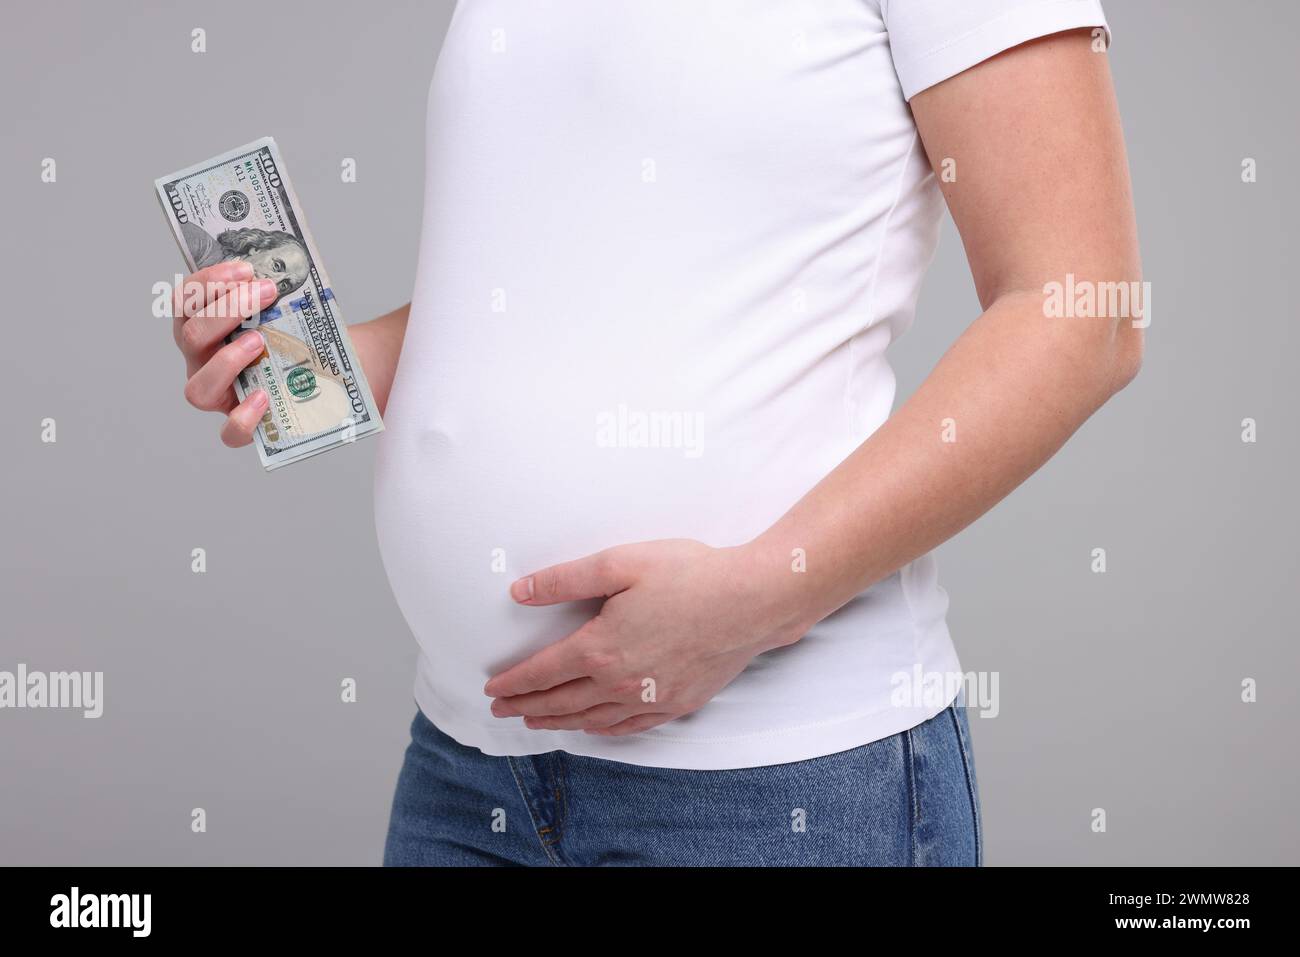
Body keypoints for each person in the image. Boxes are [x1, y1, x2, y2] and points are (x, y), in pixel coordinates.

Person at [168, 0, 1140, 866]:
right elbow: (557, 293)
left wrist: (763, 596)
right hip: (467, 769)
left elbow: (1080, 314)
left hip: (773, 783)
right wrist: (314, 361)